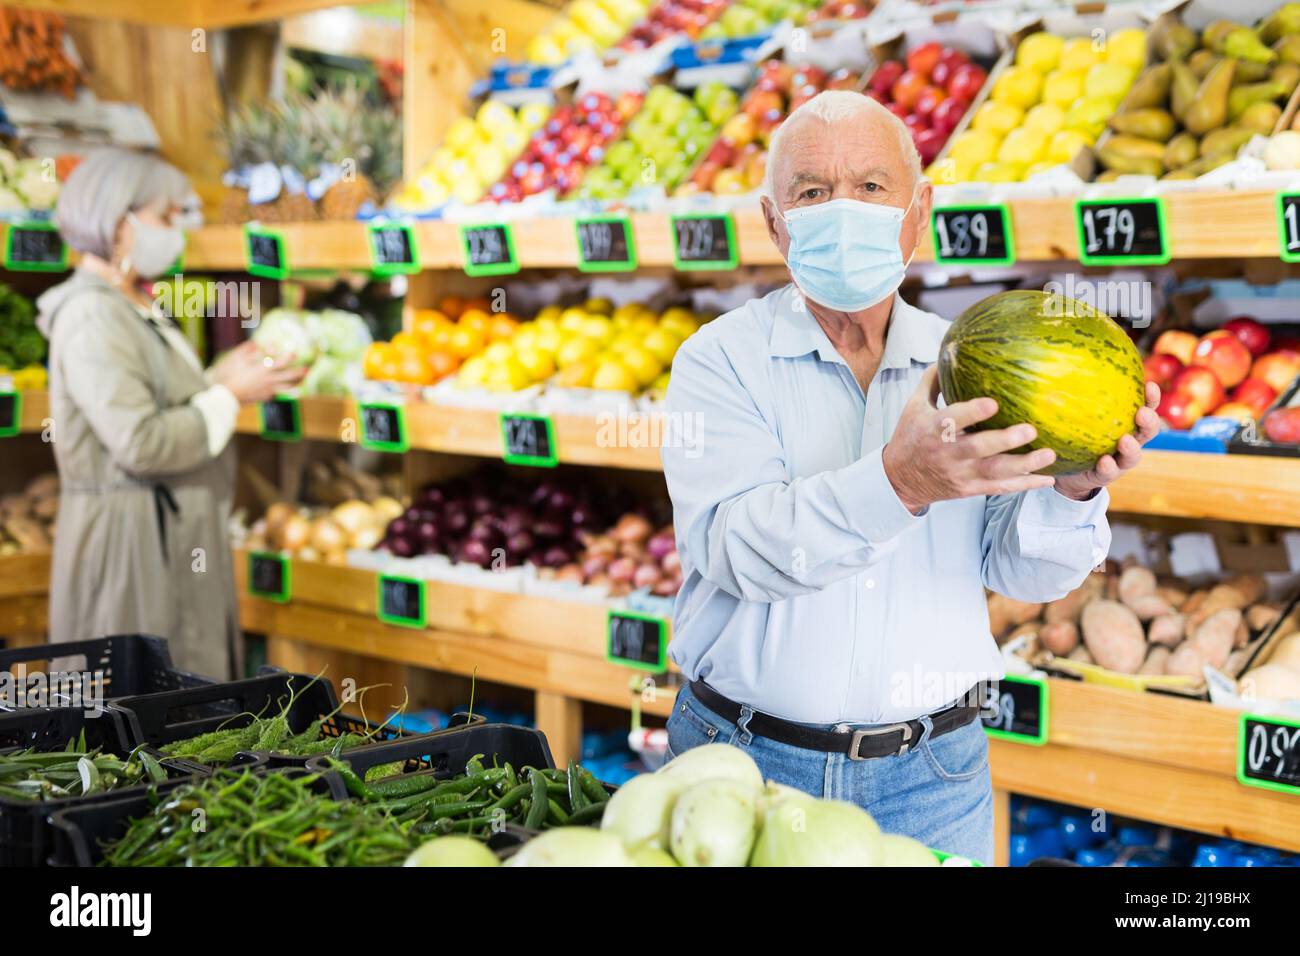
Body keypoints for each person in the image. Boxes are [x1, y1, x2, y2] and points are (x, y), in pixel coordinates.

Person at [660, 91, 1160, 863]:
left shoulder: (973, 364)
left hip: (933, 776)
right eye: (813, 193)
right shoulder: (718, 361)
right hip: (743, 763)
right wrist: (900, 483)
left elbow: (1027, 576)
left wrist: (1076, 486)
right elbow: (738, 552)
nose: (844, 210)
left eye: (870, 187)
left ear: (918, 211)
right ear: (774, 222)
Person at [36, 149, 304, 680]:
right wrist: (227, 397)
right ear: (118, 225)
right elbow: (139, 441)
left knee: (184, 713)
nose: (178, 230)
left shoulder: (130, 304)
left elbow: (158, 404)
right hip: (130, 549)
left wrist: (221, 380)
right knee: (138, 721)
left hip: (168, 535)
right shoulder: (91, 315)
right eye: (166, 217)